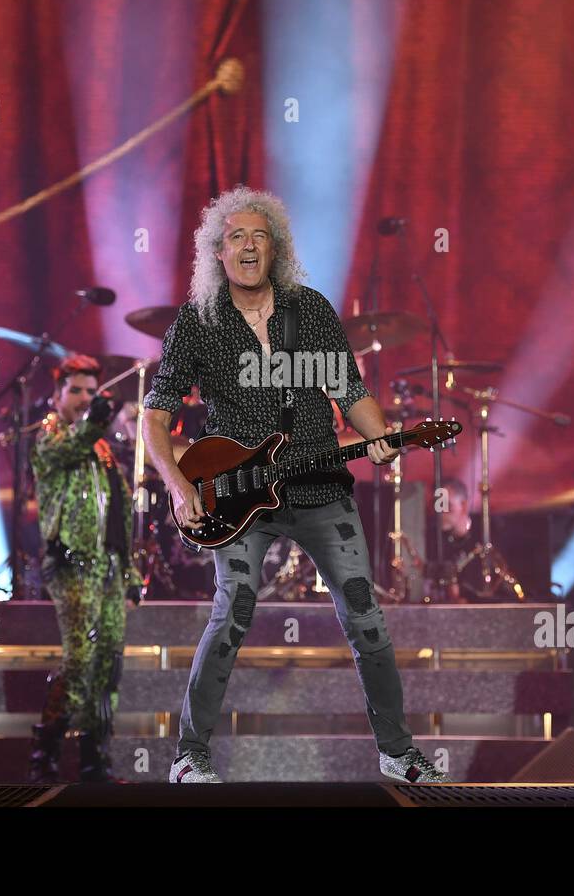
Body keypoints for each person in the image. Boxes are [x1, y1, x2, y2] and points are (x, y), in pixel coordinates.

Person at [143, 185, 448, 784]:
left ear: (275, 248)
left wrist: (383, 437)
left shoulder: (310, 310)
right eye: (236, 237)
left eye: (260, 235)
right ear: (218, 253)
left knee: (365, 615)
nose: (249, 246)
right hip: (235, 492)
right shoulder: (198, 322)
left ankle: (397, 751)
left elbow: (351, 394)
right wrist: (180, 488)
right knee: (231, 610)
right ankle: (189, 756)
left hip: (319, 486)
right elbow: (155, 419)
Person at [27, 355, 142, 783]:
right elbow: (68, 445)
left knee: (108, 661)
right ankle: (45, 757)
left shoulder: (104, 451)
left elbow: (119, 516)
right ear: (58, 395)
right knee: (79, 657)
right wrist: (93, 421)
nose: (83, 398)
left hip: (109, 568)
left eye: (91, 391)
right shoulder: (50, 435)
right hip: (72, 563)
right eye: (74, 390)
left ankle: (96, 760)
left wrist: (129, 572)